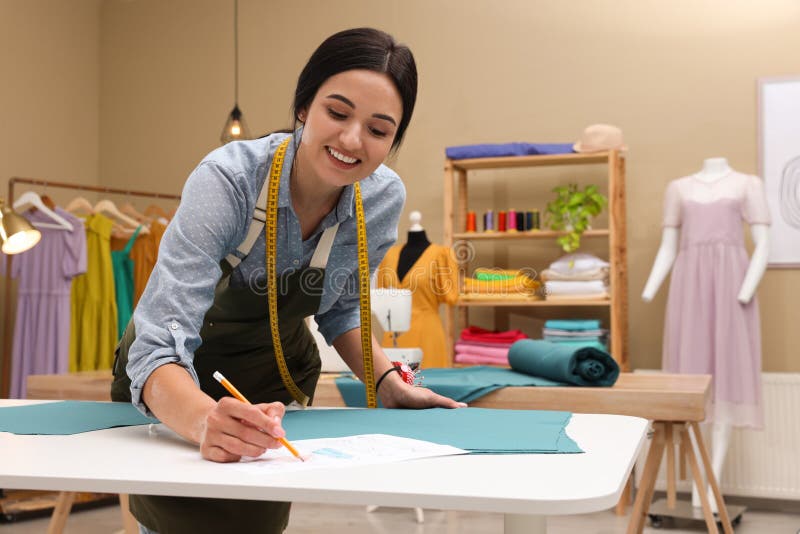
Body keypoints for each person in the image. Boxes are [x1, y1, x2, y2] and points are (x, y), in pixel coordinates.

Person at [110, 27, 465, 534]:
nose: (351, 140)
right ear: (304, 107)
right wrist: (202, 420)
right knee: (177, 519)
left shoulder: (381, 198)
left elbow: (341, 310)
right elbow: (159, 345)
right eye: (337, 113)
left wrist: (392, 383)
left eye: (378, 129)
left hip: (273, 377)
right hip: (178, 381)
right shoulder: (229, 181)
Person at [642, 156, 770, 512]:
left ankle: (712, 478)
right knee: (691, 375)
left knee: (728, 375)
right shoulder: (678, 188)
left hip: (732, 284)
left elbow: (763, 243)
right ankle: (701, 481)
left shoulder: (748, 184)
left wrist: (746, 288)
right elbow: (668, 246)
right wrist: (651, 287)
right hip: (689, 287)